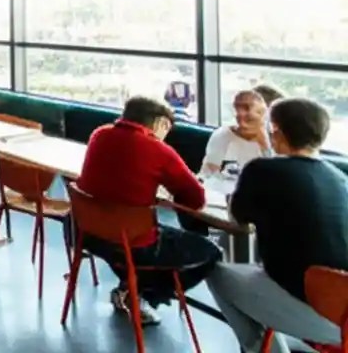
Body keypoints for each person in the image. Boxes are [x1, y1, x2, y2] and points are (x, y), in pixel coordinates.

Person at [205, 98, 348, 353]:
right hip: (341, 308)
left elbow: (238, 221)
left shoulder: (262, 169)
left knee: (214, 267)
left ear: (276, 131)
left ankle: (258, 348)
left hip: (319, 313)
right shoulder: (340, 179)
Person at [75, 96, 220, 324]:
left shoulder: (99, 134)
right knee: (210, 252)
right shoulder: (158, 150)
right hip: (130, 244)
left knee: (142, 236)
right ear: (161, 123)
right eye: (167, 129)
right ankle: (144, 295)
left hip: (83, 232)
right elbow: (195, 199)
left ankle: (130, 286)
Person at [201, 90, 273, 176]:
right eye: (238, 110)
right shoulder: (223, 135)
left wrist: (264, 145)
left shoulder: (275, 139)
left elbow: (275, 175)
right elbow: (209, 174)